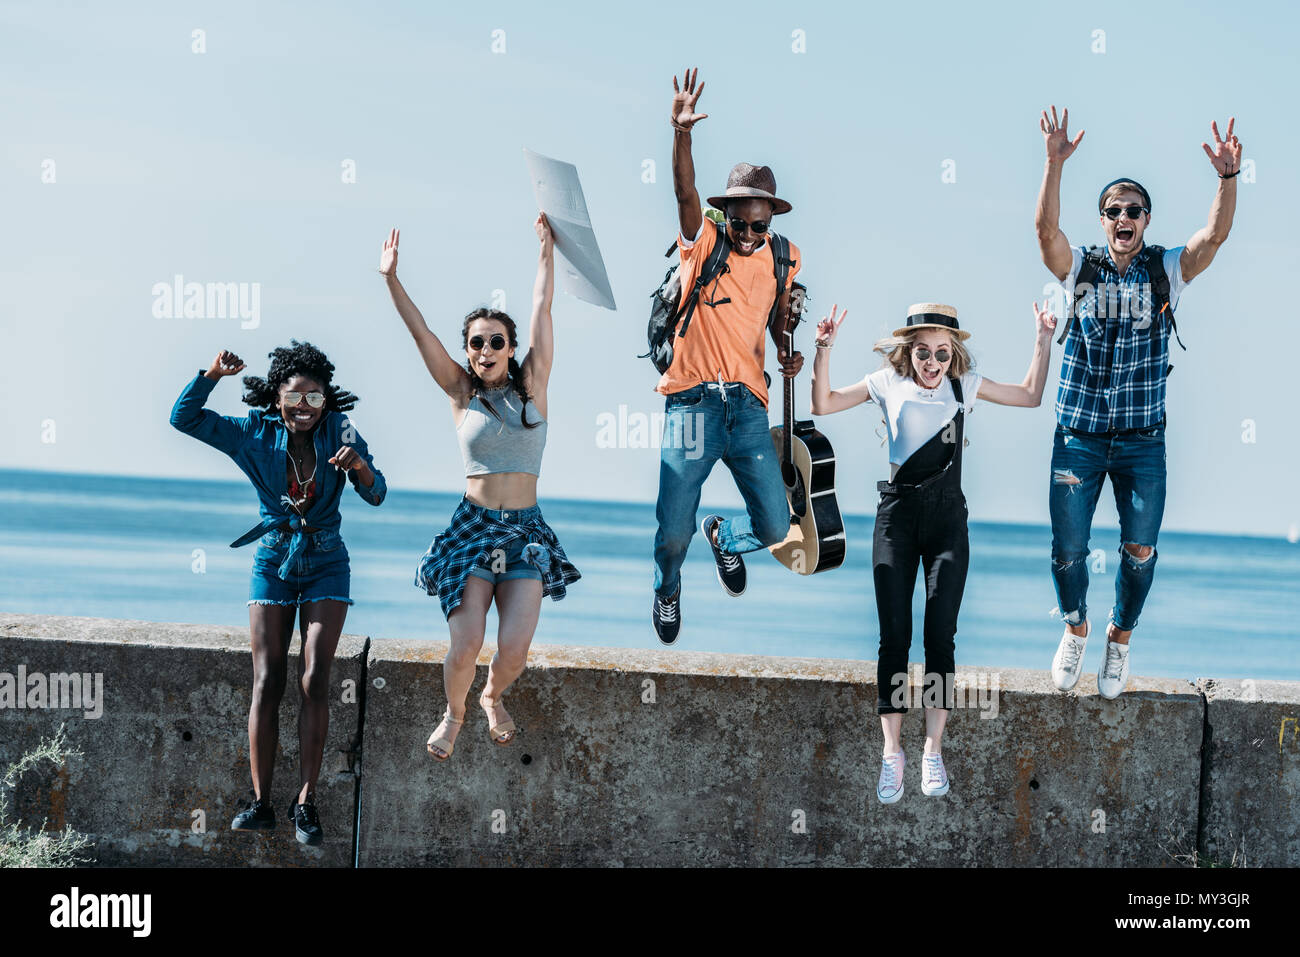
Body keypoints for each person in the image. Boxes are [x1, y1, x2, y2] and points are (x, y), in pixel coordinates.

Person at [811, 301, 1056, 803]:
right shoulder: (885, 383)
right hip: (896, 521)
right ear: (909, 350)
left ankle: (932, 750)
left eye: (942, 354)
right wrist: (823, 349)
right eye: (923, 352)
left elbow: (1031, 396)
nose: (932, 363)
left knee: (940, 635)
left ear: (952, 355)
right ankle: (891, 754)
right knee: (894, 637)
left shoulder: (964, 388)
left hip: (947, 523)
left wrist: (1042, 337)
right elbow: (823, 403)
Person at [1034, 106, 1241, 698]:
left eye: (1133, 210)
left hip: (1143, 441)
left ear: (1146, 219)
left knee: (1141, 549)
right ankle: (1076, 628)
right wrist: (1053, 165)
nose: (1123, 218)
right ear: (1101, 221)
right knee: (1069, 549)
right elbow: (1046, 234)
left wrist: (1227, 181)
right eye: (1113, 211)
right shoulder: (1079, 270)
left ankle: (1119, 641)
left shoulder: (1164, 270)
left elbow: (1215, 237)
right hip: (1077, 435)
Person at [379, 214, 580, 761]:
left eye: (496, 341)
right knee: (466, 642)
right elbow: (420, 333)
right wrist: (391, 279)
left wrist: (546, 250)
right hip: (471, 528)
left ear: (511, 347)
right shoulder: (460, 392)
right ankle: (455, 712)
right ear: (467, 349)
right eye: (475, 343)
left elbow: (542, 308)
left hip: (526, 532)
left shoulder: (533, 388)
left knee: (513, 648)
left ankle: (493, 695)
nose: (485, 349)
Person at [169, 341, 387, 845]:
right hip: (272, 560)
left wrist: (358, 466)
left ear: (326, 402)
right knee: (268, 678)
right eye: (295, 397)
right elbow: (185, 418)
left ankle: (305, 801)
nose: (305, 408)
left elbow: (376, 494)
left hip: (327, 560)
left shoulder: (342, 431)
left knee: (314, 677)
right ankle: (261, 801)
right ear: (277, 397)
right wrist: (212, 375)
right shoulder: (252, 432)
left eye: (315, 398)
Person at [651, 67, 804, 644]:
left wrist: (789, 354)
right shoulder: (705, 241)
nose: (747, 232)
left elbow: (777, 327)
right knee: (671, 530)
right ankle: (668, 586)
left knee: (774, 525)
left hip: (747, 407)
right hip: (691, 404)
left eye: (757, 224)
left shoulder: (784, 258)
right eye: (740, 220)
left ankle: (724, 537)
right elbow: (685, 193)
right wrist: (680, 133)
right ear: (729, 214)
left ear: (771, 221)